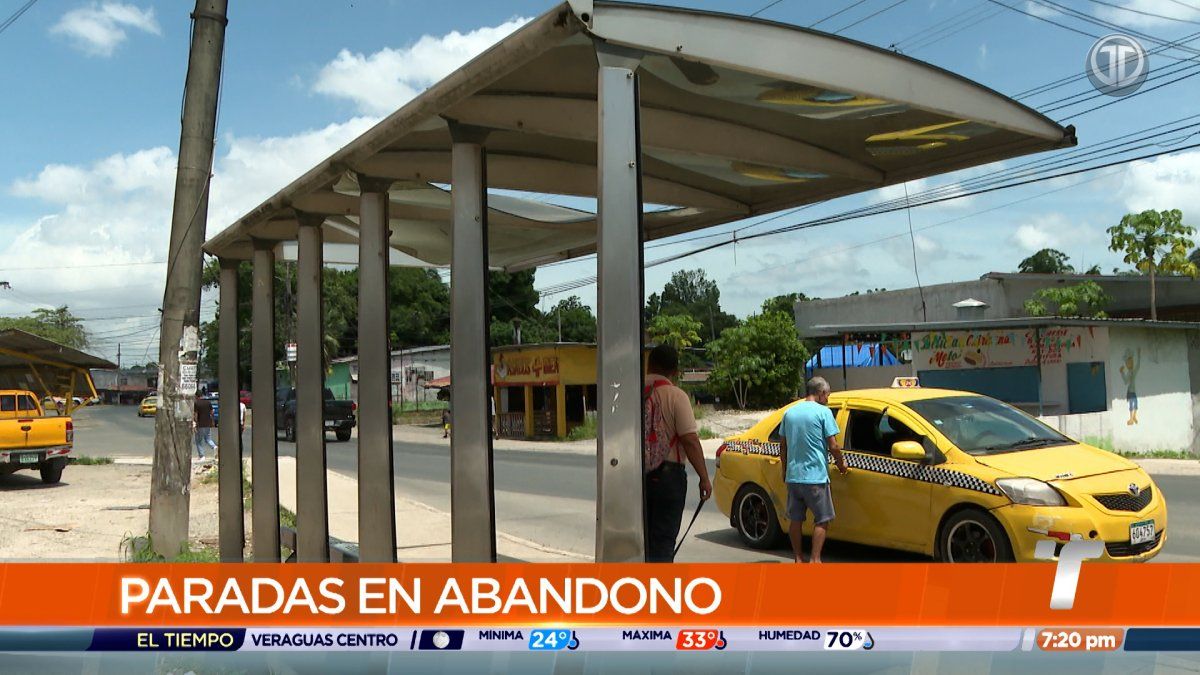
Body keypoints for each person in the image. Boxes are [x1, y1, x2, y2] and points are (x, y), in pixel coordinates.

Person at [643, 344, 712, 563]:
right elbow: (689, 440)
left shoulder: (632, 392)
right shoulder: (676, 396)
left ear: (648, 365)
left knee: (641, 539)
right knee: (663, 541)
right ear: (674, 370)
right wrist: (704, 478)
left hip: (634, 476)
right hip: (668, 477)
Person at [778, 376, 848, 563]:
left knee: (796, 519)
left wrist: (784, 471)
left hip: (794, 477)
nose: (828, 399)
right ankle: (815, 560)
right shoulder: (823, 413)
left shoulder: (790, 413)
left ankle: (798, 559)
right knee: (822, 519)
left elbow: (783, 446)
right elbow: (833, 446)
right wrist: (841, 465)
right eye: (828, 395)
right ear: (821, 393)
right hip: (815, 477)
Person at [194, 395, 218, 460]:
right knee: (208, 439)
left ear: (196, 396)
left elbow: (196, 414)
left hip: (200, 424)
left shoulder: (196, 403)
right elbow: (212, 412)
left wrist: (195, 423)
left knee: (198, 441)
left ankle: (202, 456)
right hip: (208, 423)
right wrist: (212, 421)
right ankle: (214, 447)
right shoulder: (208, 402)